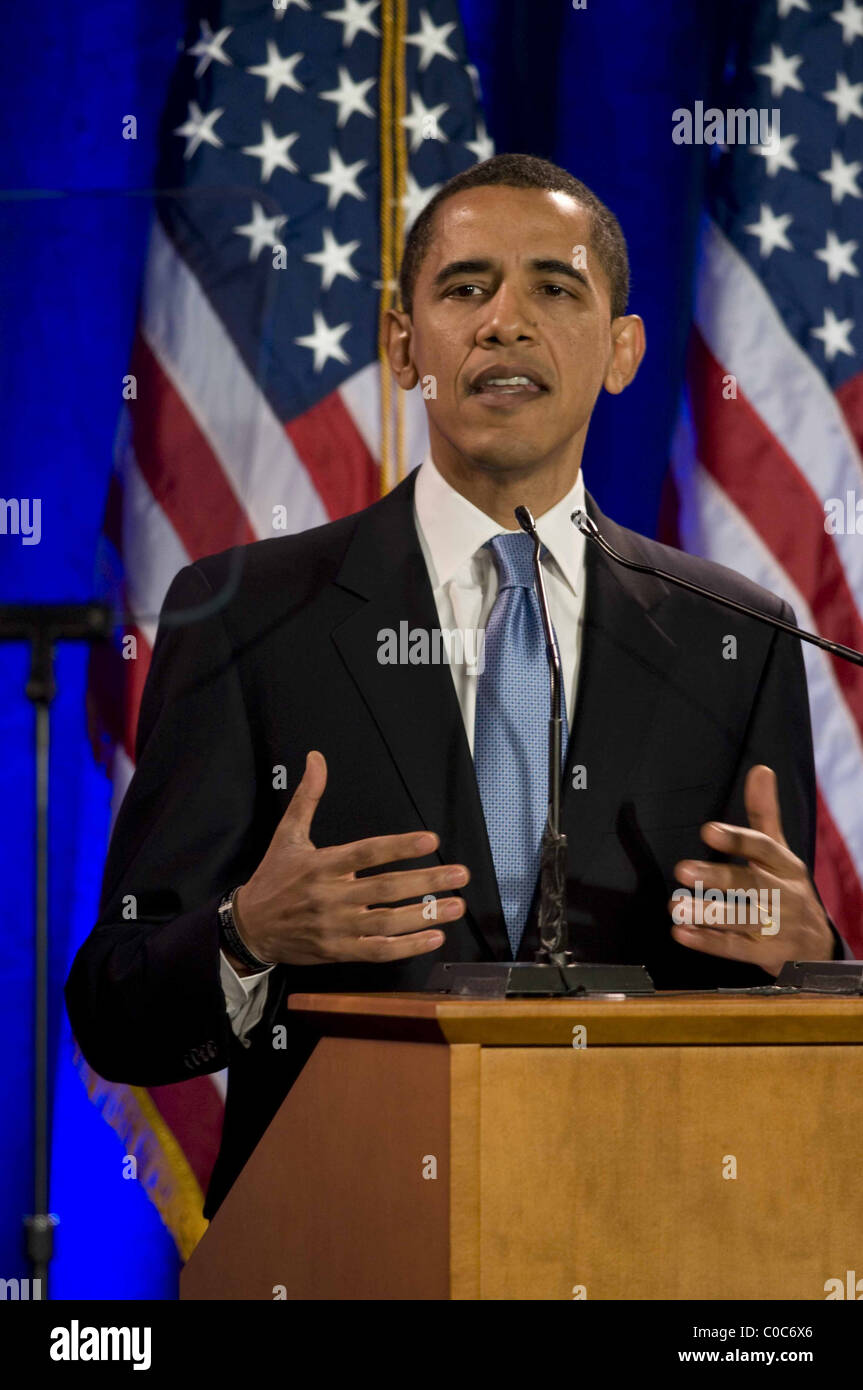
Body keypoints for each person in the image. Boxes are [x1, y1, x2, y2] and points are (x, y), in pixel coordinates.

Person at [66, 154, 847, 1219]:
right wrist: (248, 930)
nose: (504, 323)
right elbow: (115, 1006)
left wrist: (810, 962)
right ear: (402, 346)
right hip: (343, 1244)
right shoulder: (248, 615)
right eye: (465, 287)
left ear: (622, 352)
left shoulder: (736, 635)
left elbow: (773, 1005)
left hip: (636, 1240)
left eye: (555, 288)